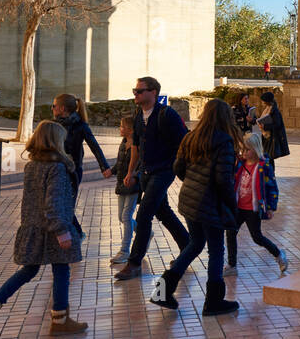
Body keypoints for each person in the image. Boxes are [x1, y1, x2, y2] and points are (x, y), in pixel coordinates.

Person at [0, 121, 87, 338]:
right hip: (51, 228)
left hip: (34, 227)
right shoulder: (57, 168)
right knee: (61, 269)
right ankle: (60, 321)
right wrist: (61, 231)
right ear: (55, 141)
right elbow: (53, 201)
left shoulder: (32, 165)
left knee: (28, 270)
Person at [151, 98, 239, 315]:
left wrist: (193, 183)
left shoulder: (191, 137)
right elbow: (223, 180)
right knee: (216, 249)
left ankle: (161, 291)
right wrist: (232, 205)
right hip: (210, 204)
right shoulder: (224, 142)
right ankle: (213, 302)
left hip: (190, 200)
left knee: (195, 244)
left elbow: (178, 167)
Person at [115, 77, 191, 280]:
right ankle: (188, 247)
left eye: (140, 91)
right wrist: (131, 172)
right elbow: (136, 148)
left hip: (164, 171)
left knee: (143, 215)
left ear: (153, 92)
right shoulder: (138, 115)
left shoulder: (168, 115)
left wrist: (177, 166)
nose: (136, 94)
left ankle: (134, 263)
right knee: (163, 212)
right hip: (146, 173)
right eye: (135, 90)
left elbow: (185, 142)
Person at [225, 130, 289, 276]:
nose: (244, 152)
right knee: (230, 232)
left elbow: (272, 186)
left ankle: (279, 254)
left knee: (257, 237)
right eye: (243, 149)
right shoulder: (240, 163)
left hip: (252, 208)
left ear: (255, 149)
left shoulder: (263, 166)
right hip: (238, 207)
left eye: (247, 149)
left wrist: (271, 207)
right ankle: (232, 264)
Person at [52, 93, 111, 241]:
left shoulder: (80, 126)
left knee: (67, 204)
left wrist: (104, 167)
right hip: (56, 169)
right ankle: (73, 234)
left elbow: (94, 146)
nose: (52, 109)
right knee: (61, 203)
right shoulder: (53, 124)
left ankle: (76, 234)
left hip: (73, 171)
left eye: (54, 106)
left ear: (62, 108)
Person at [109, 116, 141, 264]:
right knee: (121, 217)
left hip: (133, 185)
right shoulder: (123, 143)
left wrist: (136, 177)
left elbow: (141, 165)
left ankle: (124, 251)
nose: (120, 129)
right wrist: (111, 171)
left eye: (122, 127)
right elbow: (119, 162)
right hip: (122, 184)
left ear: (130, 129)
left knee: (127, 216)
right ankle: (143, 232)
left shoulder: (138, 144)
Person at [257, 90, 290, 164]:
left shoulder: (274, 111)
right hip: (266, 136)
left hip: (272, 136)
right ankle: (270, 172)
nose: (262, 102)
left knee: (270, 156)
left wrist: (265, 126)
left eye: (263, 101)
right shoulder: (268, 109)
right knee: (268, 156)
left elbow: (277, 124)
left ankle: (271, 173)